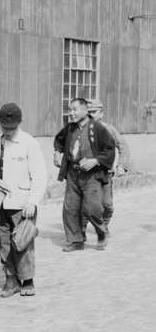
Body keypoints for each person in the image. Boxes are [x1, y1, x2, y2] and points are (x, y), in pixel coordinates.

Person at [0, 103, 47, 298]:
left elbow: (40, 175)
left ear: (20, 123)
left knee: (23, 242)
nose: (7, 131)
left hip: (23, 204)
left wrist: (32, 201)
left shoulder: (29, 143)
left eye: (12, 128)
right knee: (3, 242)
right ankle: (11, 280)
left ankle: (28, 280)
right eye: (4, 127)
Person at [53, 98, 115, 251]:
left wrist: (95, 161)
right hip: (73, 173)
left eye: (75, 109)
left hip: (91, 175)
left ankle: (101, 232)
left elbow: (109, 148)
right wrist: (56, 152)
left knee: (91, 207)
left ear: (85, 111)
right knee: (70, 208)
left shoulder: (98, 128)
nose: (71, 113)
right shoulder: (69, 128)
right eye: (70, 109)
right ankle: (76, 241)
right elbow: (59, 140)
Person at [85, 99, 130, 232]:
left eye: (95, 112)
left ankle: (104, 225)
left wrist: (121, 165)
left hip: (105, 173)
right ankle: (80, 232)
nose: (92, 115)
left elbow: (124, 146)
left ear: (101, 114)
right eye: (89, 112)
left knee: (107, 205)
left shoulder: (110, 130)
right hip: (86, 174)